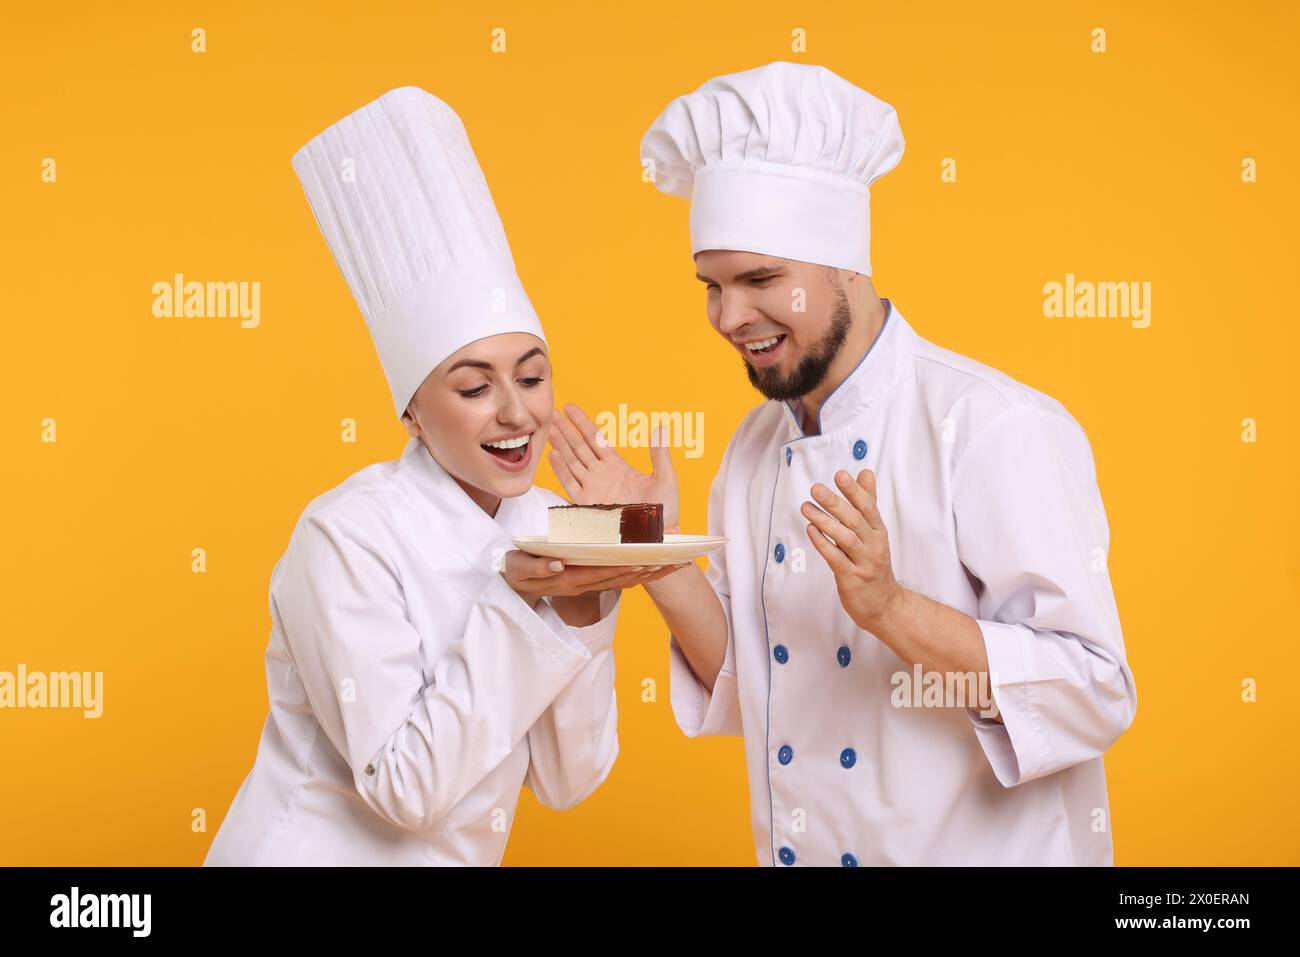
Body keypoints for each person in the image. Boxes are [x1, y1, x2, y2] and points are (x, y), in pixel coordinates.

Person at [550, 61, 1137, 866]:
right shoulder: (756, 449)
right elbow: (752, 682)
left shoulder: (990, 427)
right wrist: (657, 557)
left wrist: (892, 608)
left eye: (761, 280)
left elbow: (1094, 691)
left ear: (846, 263)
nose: (728, 317)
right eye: (711, 285)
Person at [205, 86, 677, 866]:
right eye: (473, 386)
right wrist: (524, 598)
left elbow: (568, 781)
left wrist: (593, 593)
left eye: (531, 376)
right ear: (413, 413)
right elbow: (404, 788)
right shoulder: (344, 536)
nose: (515, 413)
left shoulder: (550, 519)